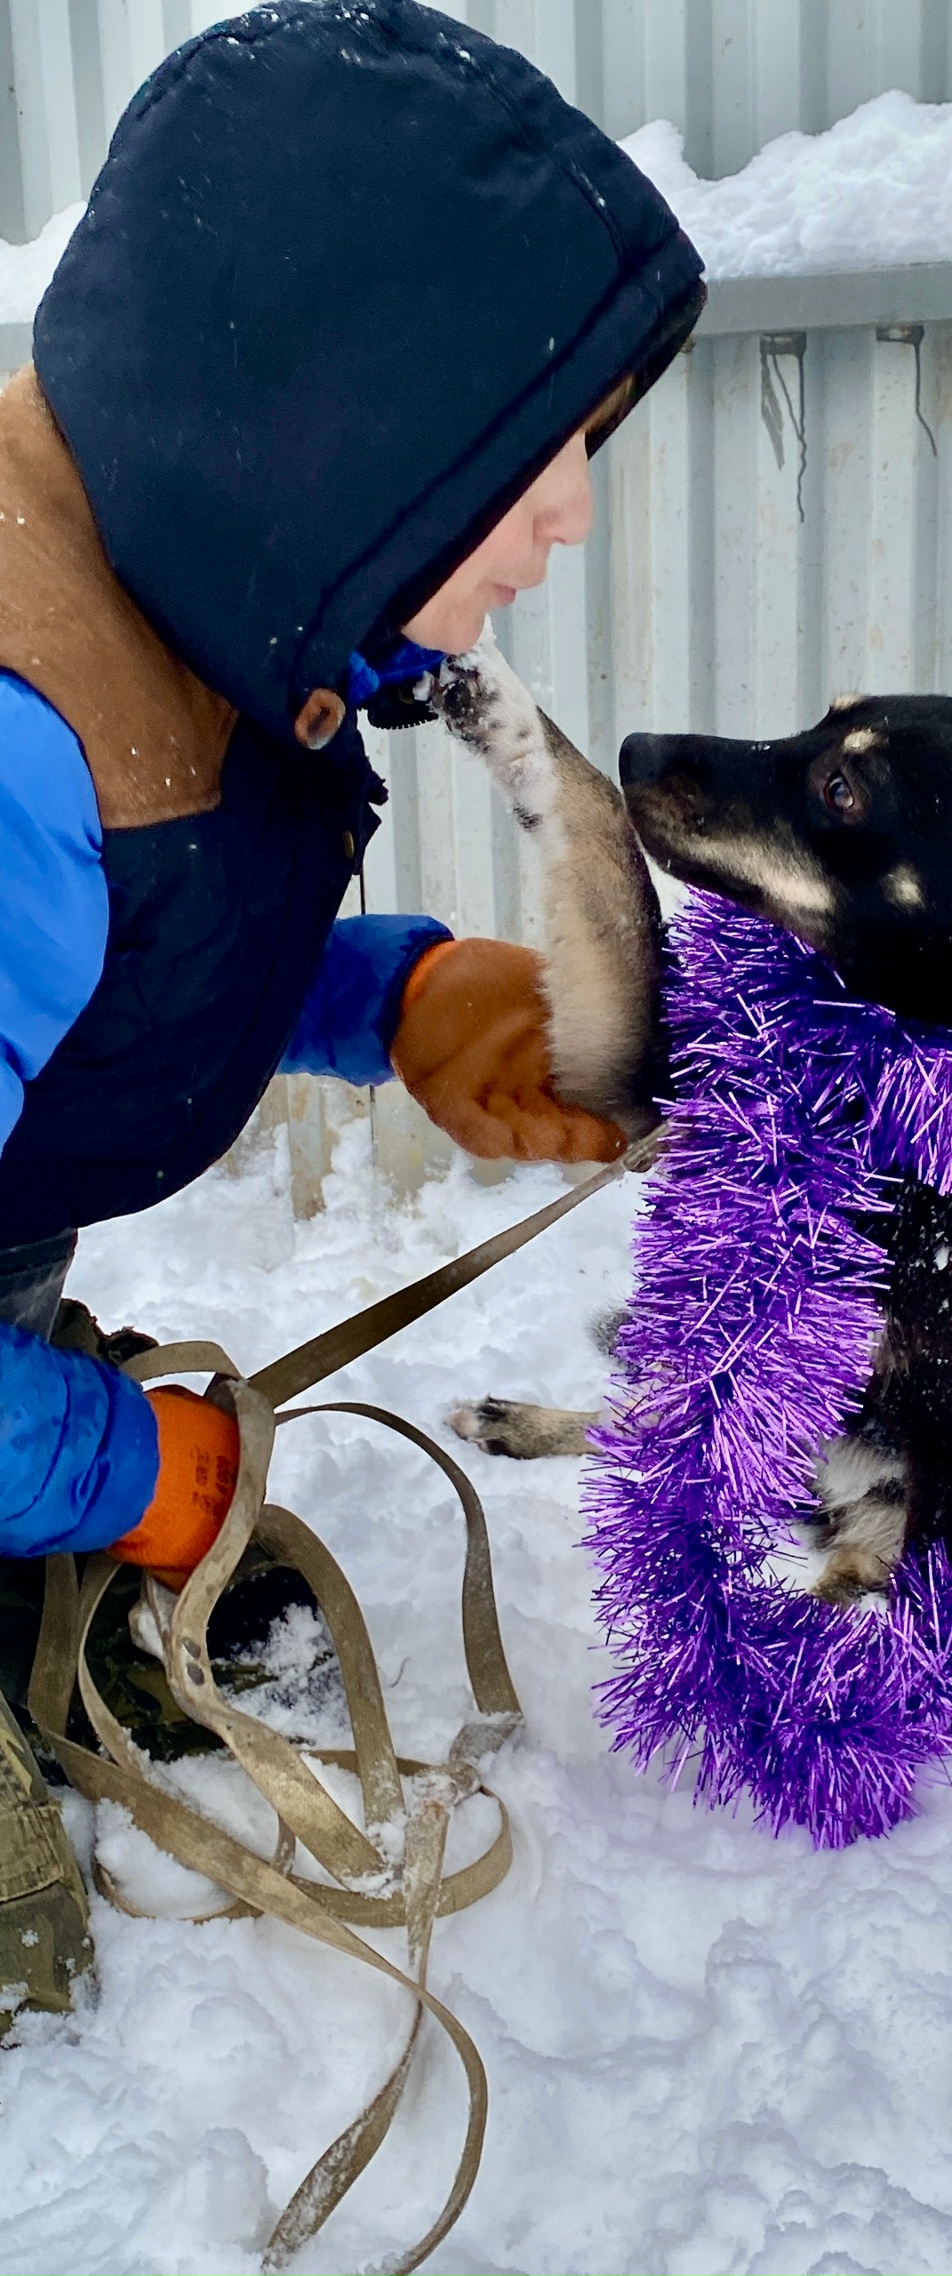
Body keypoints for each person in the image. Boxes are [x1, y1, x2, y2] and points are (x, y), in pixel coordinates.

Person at [0, 0, 703, 2022]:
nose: (572, 517)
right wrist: (118, 1470)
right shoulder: (14, 748)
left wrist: (394, 1005)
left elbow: (131, 942)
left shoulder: (191, 582)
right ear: (329, 423)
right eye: (530, 455)